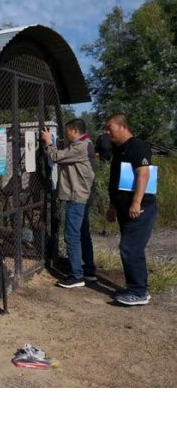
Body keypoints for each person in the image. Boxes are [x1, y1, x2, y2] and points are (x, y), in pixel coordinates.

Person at [105, 114, 157, 306]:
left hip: (140, 208)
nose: (107, 131)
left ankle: (138, 292)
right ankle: (137, 287)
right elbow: (117, 181)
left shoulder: (137, 146)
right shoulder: (119, 150)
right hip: (124, 208)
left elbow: (143, 173)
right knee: (131, 248)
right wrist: (113, 206)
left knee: (130, 248)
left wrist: (136, 202)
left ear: (123, 126)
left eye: (110, 127)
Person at [41, 119, 97, 288]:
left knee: (71, 235)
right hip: (83, 196)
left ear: (74, 131)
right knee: (83, 233)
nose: (66, 135)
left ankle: (76, 275)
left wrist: (48, 143)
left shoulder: (80, 147)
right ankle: (89, 270)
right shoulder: (86, 144)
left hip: (76, 196)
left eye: (67, 131)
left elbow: (55, 156)